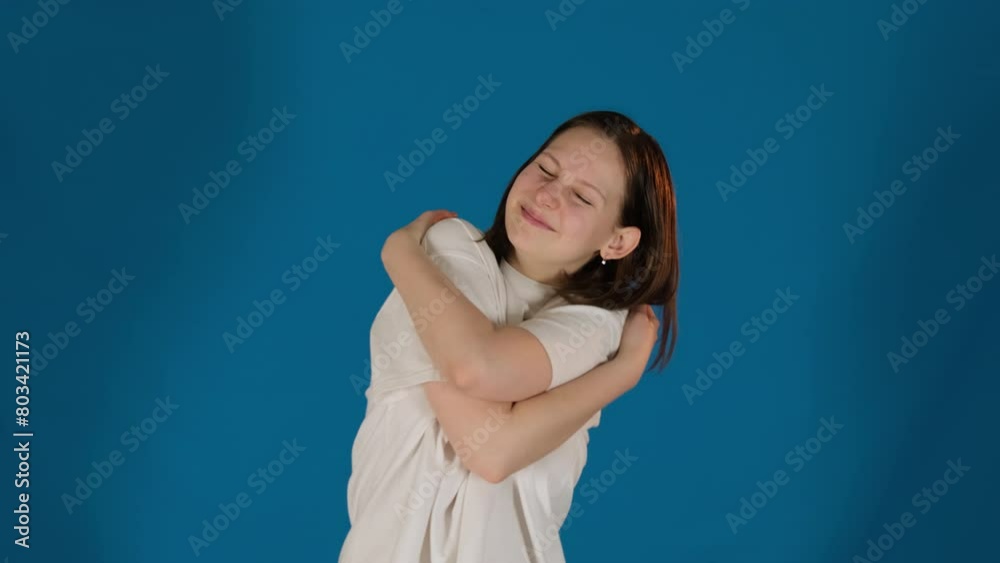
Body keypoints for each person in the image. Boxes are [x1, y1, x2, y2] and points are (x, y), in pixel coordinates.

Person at [339, 111, 679, 562]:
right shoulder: (446, 253)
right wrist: (622, 373)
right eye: (546, 168)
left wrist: (400, 251)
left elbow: (489, 444)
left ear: (617, 242)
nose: (547, 195)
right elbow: (481, 391)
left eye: (581, 196)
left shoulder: (598, 326)